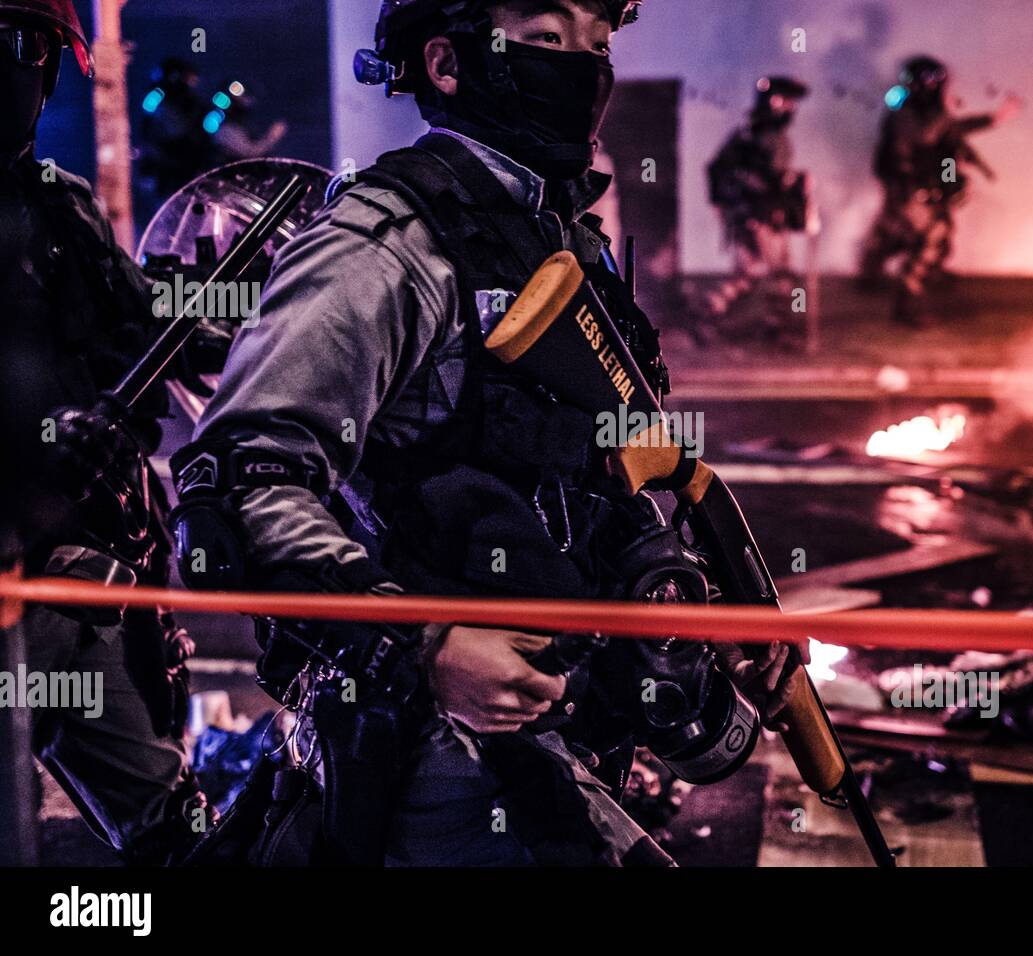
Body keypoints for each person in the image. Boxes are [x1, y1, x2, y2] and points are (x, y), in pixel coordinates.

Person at [172, 0, 804, 866]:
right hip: (436, 748)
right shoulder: (383, 246)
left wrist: (700, 613)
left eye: (600, 42)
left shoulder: (560, 239)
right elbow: (239, 480)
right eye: (547, 38)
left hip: (564, 714)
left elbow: (603, 473)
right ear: (447, 63)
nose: (584, 67)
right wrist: (421, 648)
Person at [0, 0, 210, 864]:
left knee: (176, 833)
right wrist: (43, 441)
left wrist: (279, 328)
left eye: (21, 44)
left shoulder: (58, 210)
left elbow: (150, 326)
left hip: (78, 593)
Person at [859, 55, 1020, 323]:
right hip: (908, 189)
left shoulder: (922, 114)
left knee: (936, 235)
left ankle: (887, 271)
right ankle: (905, 300)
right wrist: (951, 114)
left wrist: (992, 119)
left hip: (919, 187)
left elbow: (949, 132)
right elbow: (930, 135)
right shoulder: (905, 114)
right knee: (930, 237)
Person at [705, 75, 812, 329]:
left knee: (747, 273)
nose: (790, 108)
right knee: (782, 273)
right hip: (762, 215)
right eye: (785, 101)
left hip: (752, 214)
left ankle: (709, 312)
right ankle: (777, 326)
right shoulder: (761, 136)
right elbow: (754, 179)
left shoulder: (750, 133)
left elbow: (722, 172)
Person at [138, 56, 212, 199]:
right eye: (189, 78)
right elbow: (150, 128)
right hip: (166, 162)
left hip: (186, 160)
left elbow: (201, 130)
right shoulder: (158, 97)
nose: (192, 83)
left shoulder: (191, 102)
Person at [206, 78, 288, 165]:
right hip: (230, 176)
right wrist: (273, 136)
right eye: (240, 101)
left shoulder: (240, 127)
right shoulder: (225, 130)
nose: (246, 101)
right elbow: (251, 153)